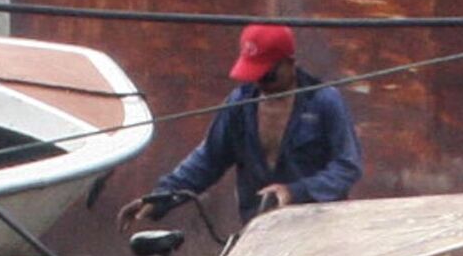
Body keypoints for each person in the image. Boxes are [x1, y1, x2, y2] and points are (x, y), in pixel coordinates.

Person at [117, 22, 362, 233]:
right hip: (259, 229)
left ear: (290, 63)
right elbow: (208, 160)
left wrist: (295, 192)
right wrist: (161, 198)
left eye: (268, 75)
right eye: (255, 74)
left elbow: (347, 167)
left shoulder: (324, 102)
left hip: (316, 230)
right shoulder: (241, 103)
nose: (260, 83)